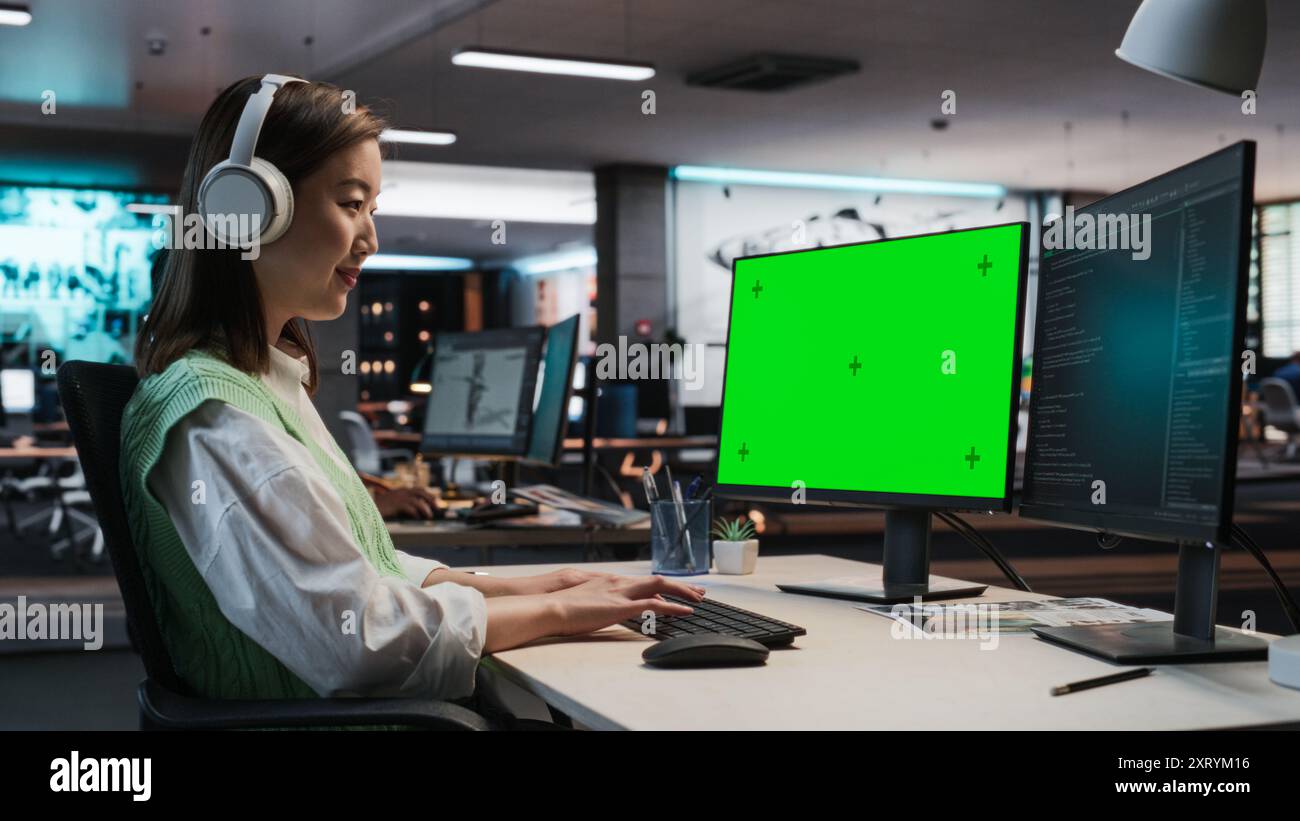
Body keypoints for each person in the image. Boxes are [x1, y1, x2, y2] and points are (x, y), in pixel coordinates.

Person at [120, 75, 702, 708]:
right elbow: (365, 639)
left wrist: (545, 587)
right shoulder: (220, 420)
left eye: (373, 210)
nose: (371, 240)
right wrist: (560, 613)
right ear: (249, 209)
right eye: (350, 204)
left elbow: (361, 572)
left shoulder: (259, 382)